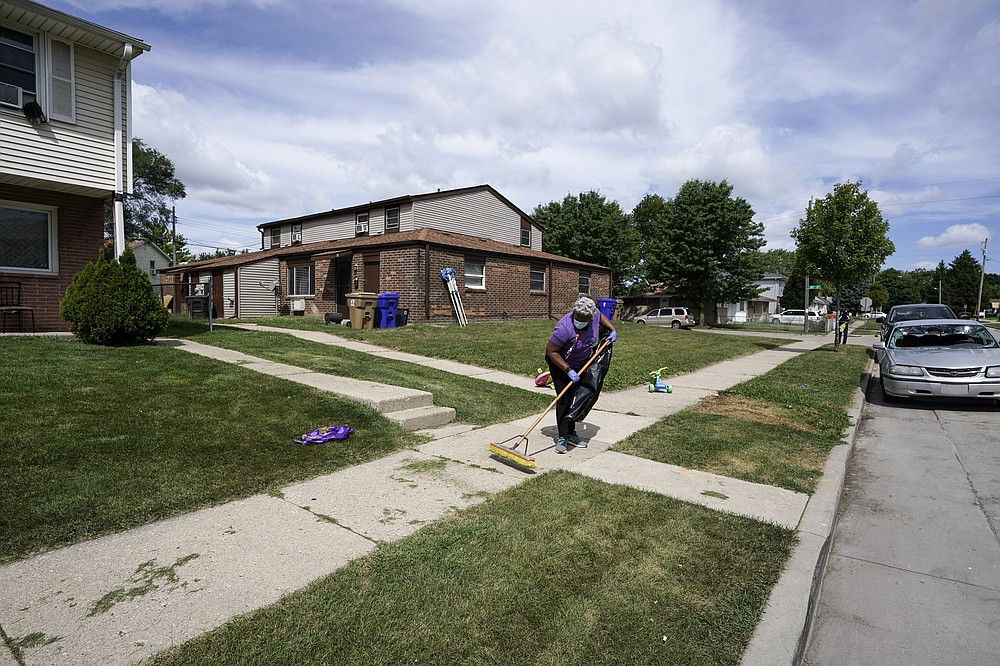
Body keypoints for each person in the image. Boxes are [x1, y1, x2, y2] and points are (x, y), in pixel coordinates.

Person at [545, 296, 617, 453]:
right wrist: (568, 370)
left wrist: (612, 330)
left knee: (575, 398)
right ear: (574, 313)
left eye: (585, 319)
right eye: (578, 318)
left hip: (581, 363)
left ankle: (571, 433)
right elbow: (551, 351)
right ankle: (563, 436)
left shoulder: (593, 315)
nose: (580, 322)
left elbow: (601, 316)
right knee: (564, 399)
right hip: (560, 364)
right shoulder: (564, 328)